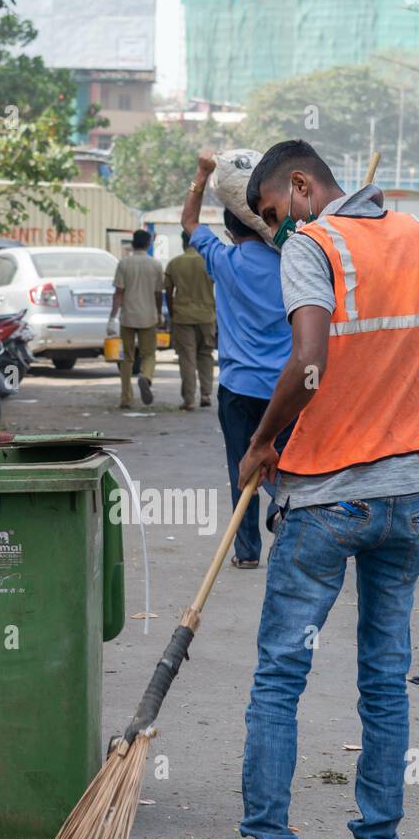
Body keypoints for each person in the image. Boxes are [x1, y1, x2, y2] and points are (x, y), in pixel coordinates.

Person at [203, 139, 419, 839]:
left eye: (276, 213)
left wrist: (261, 442)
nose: (277, 231)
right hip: (406, 500)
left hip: (325, 502)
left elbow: (308, 359)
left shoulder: (314, 244)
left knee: (280, 678)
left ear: (303, 185)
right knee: (384, 681)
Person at [181, 153, 294, 568]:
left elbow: (190, 223)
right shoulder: (291, 263)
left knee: (241, 465)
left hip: (238, 388)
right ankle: (279, 508)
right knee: (288, 461)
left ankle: (246, 553)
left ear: (229, 230)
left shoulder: (223, 260)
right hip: (286, 388)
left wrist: (202, 174)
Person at [108, 229, 164, 408]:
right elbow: (158, 294)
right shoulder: (155, 265)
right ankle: (145, 377)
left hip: (127, 318)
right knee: (149, 355)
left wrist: (112, 318)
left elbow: (118, 293)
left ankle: (126, 398)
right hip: (148, 317)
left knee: (126, 358)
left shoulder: (124, 263)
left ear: (132, 244)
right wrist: (159, 313)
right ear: (148, 245)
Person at [164, 230, 217, 411]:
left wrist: (173, 314)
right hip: (207, 316)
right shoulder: (209, 261)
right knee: (205, 355)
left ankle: (189, 400)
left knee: (187, 359)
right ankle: (206, 394)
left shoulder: (174, 264)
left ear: (183, 242)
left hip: (183, 316)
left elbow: (168, 294)